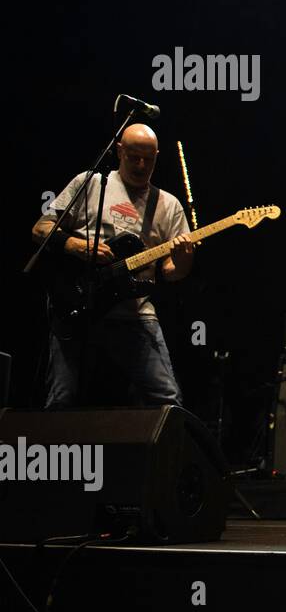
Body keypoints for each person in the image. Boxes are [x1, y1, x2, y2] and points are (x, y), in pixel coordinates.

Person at [32, 123, 194, 408]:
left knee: (168, 399)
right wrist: (76, 246)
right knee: (62, 399)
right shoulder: (91, 183)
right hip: (76, 302)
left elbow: (172, 273)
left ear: (157, 156)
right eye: (133, 156)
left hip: (133, 313)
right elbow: (40, 229)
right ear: (119, 151)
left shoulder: (168, 205)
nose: (141, 165)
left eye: (149, 158)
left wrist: (183, 256)